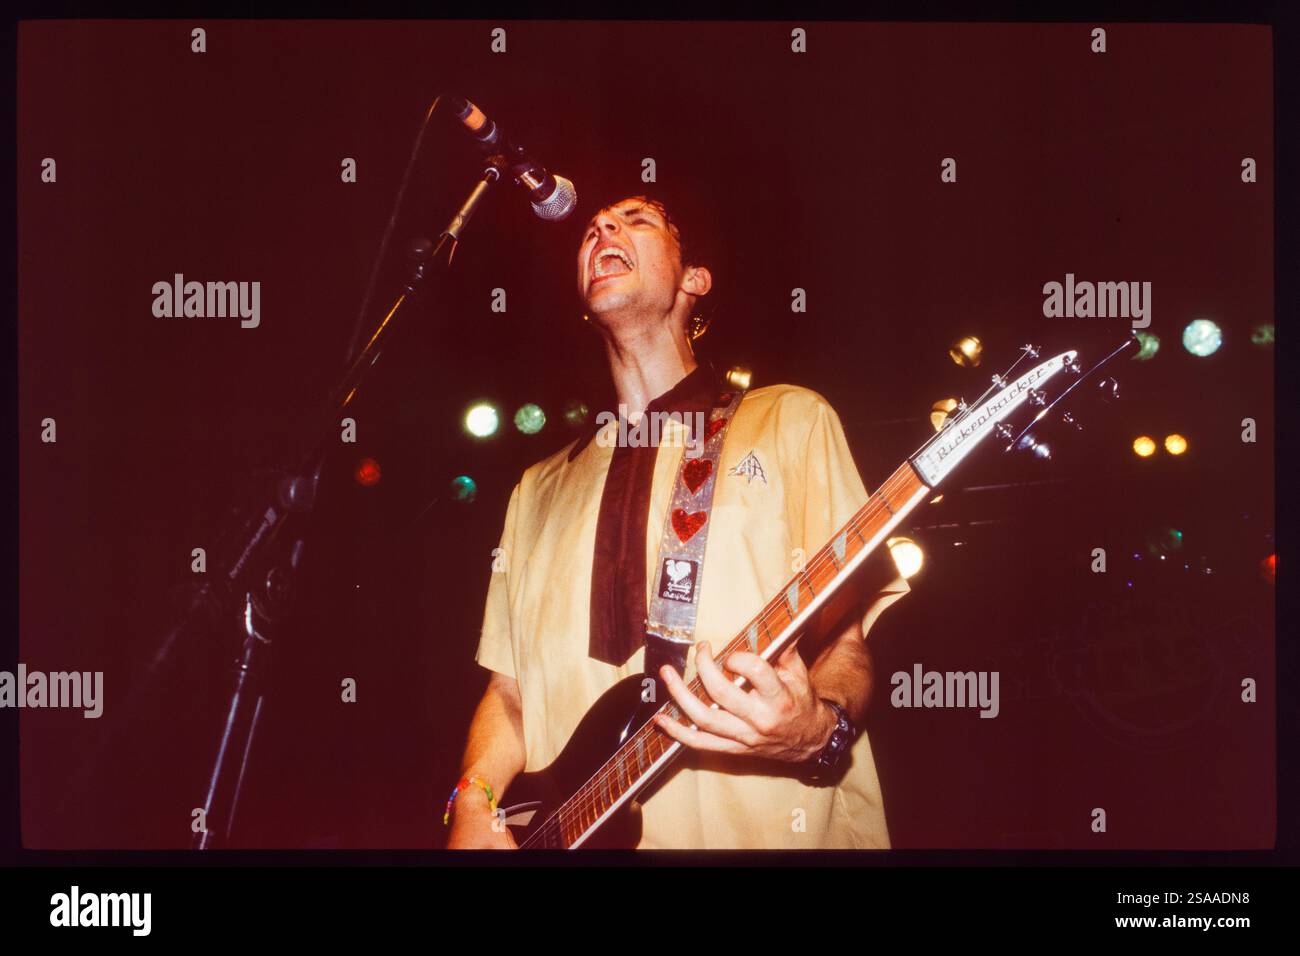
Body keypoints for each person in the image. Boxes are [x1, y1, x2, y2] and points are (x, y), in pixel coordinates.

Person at [446, 195, 909, 849]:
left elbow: (846, 642)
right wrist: (470, 804)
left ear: (694, 279)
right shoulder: (536, 487)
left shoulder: (790, 419)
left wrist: (819, 729)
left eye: (636, 220)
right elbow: (511, 693)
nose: (601, 228)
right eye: (590, 229)